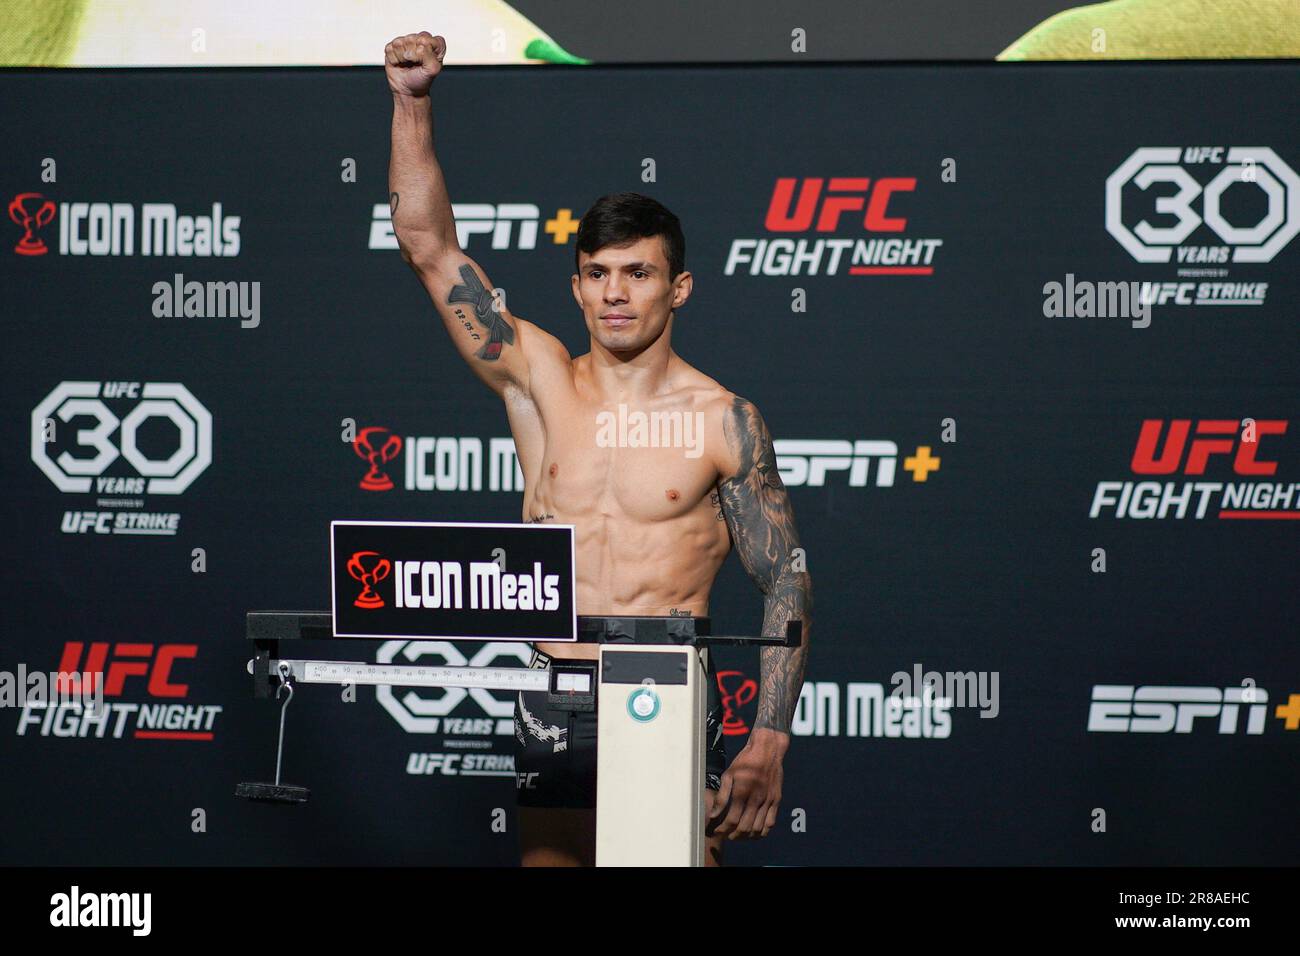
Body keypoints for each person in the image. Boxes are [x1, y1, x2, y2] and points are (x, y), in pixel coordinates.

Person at [385, 31, 812, 866]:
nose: (615, 293)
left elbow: (786, 578)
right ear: (577, 283)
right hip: (556, 683)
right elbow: (429, 250)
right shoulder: (539, 380)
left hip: (667, 686)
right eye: (597, 273)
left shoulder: (723, 419)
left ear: (677, 287)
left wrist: (771, 738)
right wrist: (411, 102)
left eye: (638, 273)